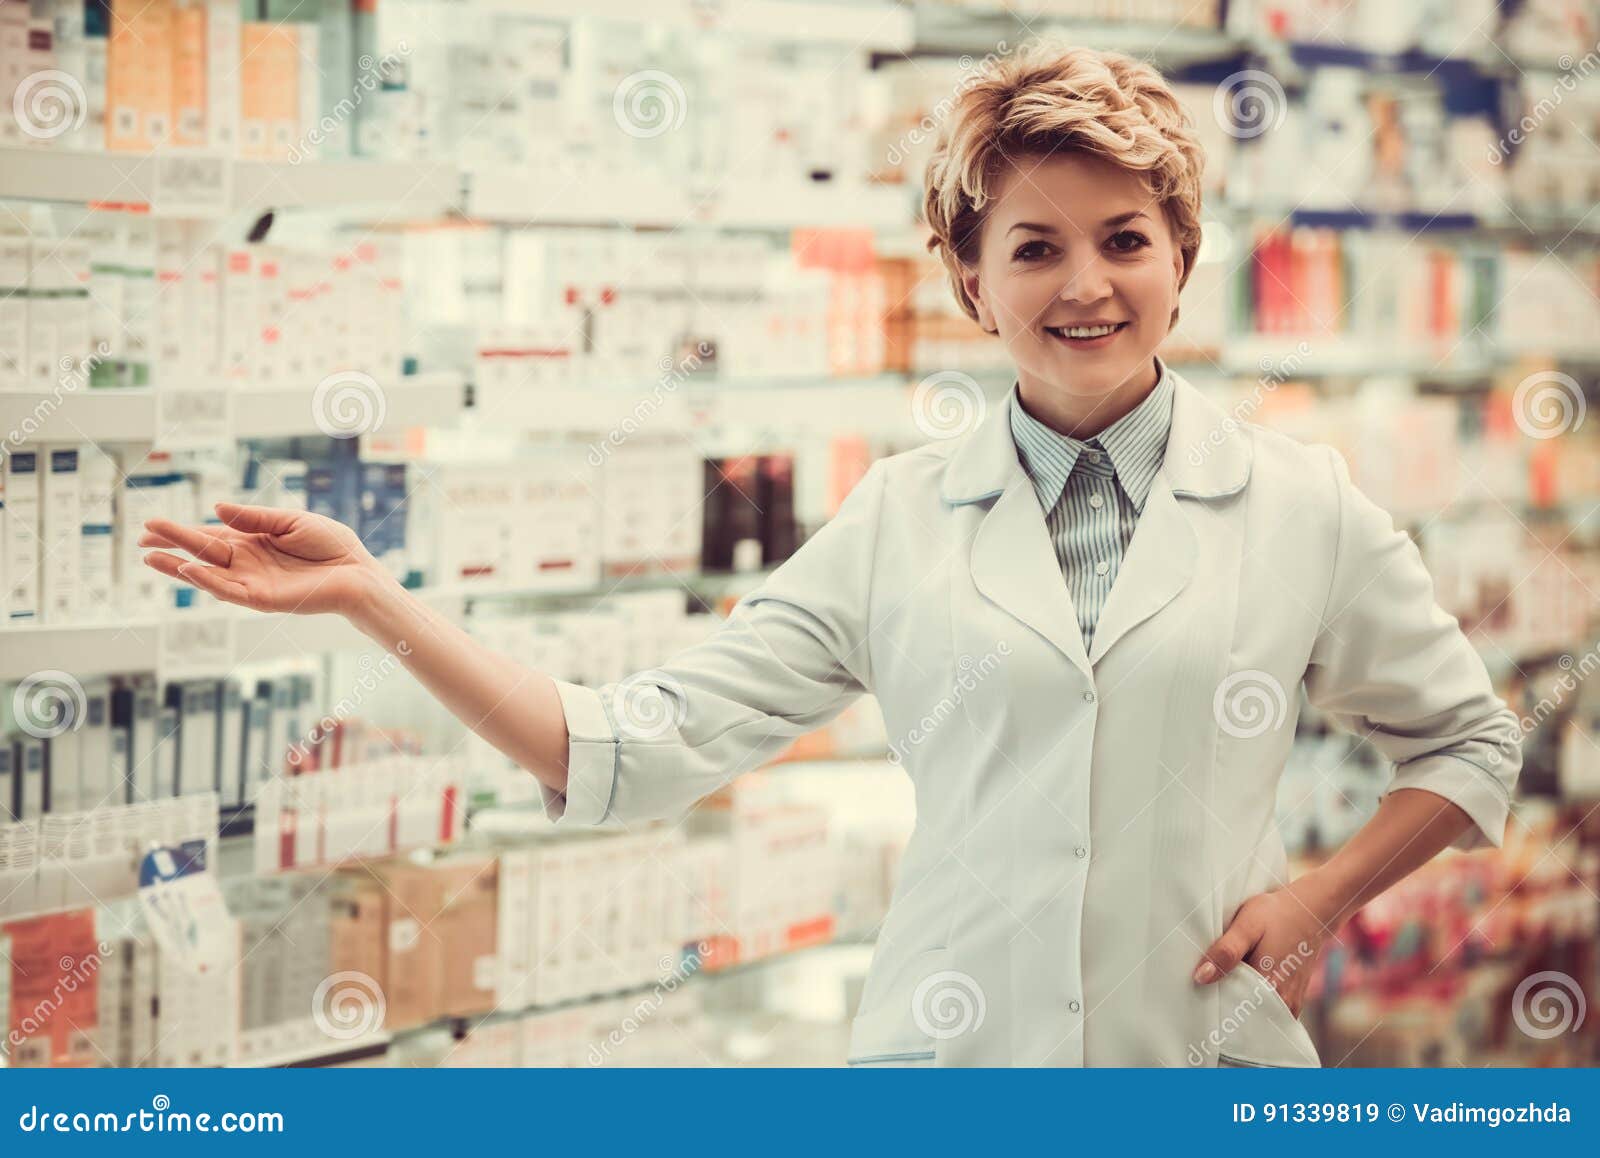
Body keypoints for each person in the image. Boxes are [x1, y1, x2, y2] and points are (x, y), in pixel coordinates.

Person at [141, 39, 1522, 1067]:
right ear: (970, 278)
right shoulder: (901, 518)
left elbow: (1470, 742)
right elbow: (625, 743)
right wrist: (375, 597)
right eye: (1036, 246)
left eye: (1127, 239)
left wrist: (1317, 900)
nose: (1087, 283)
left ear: (1183, 256)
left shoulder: (1300, 504)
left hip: (1202, 1069)